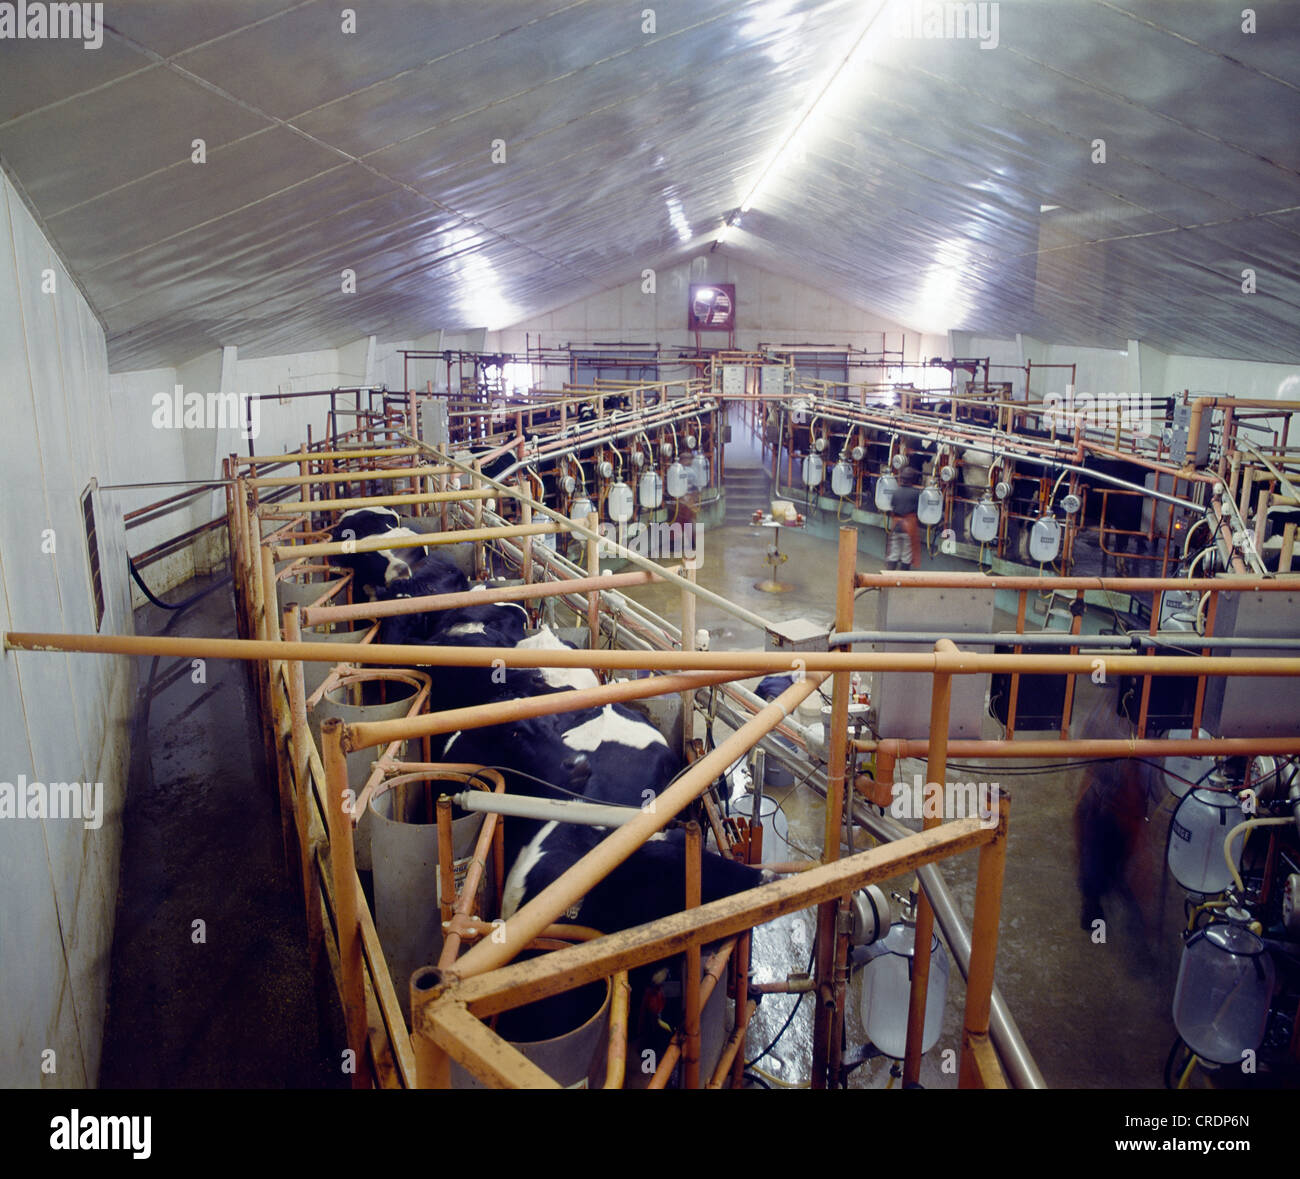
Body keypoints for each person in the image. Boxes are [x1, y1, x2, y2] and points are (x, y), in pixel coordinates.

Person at [884, 466, 922, 571]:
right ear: (913, 479)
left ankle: (888, 577)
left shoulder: (896, 492)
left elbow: (892, 506)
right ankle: (902, 578)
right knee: (906, 555)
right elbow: (920, 509)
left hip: (896, 526)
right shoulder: (916, 493)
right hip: (909, 527)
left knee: (894, 553)